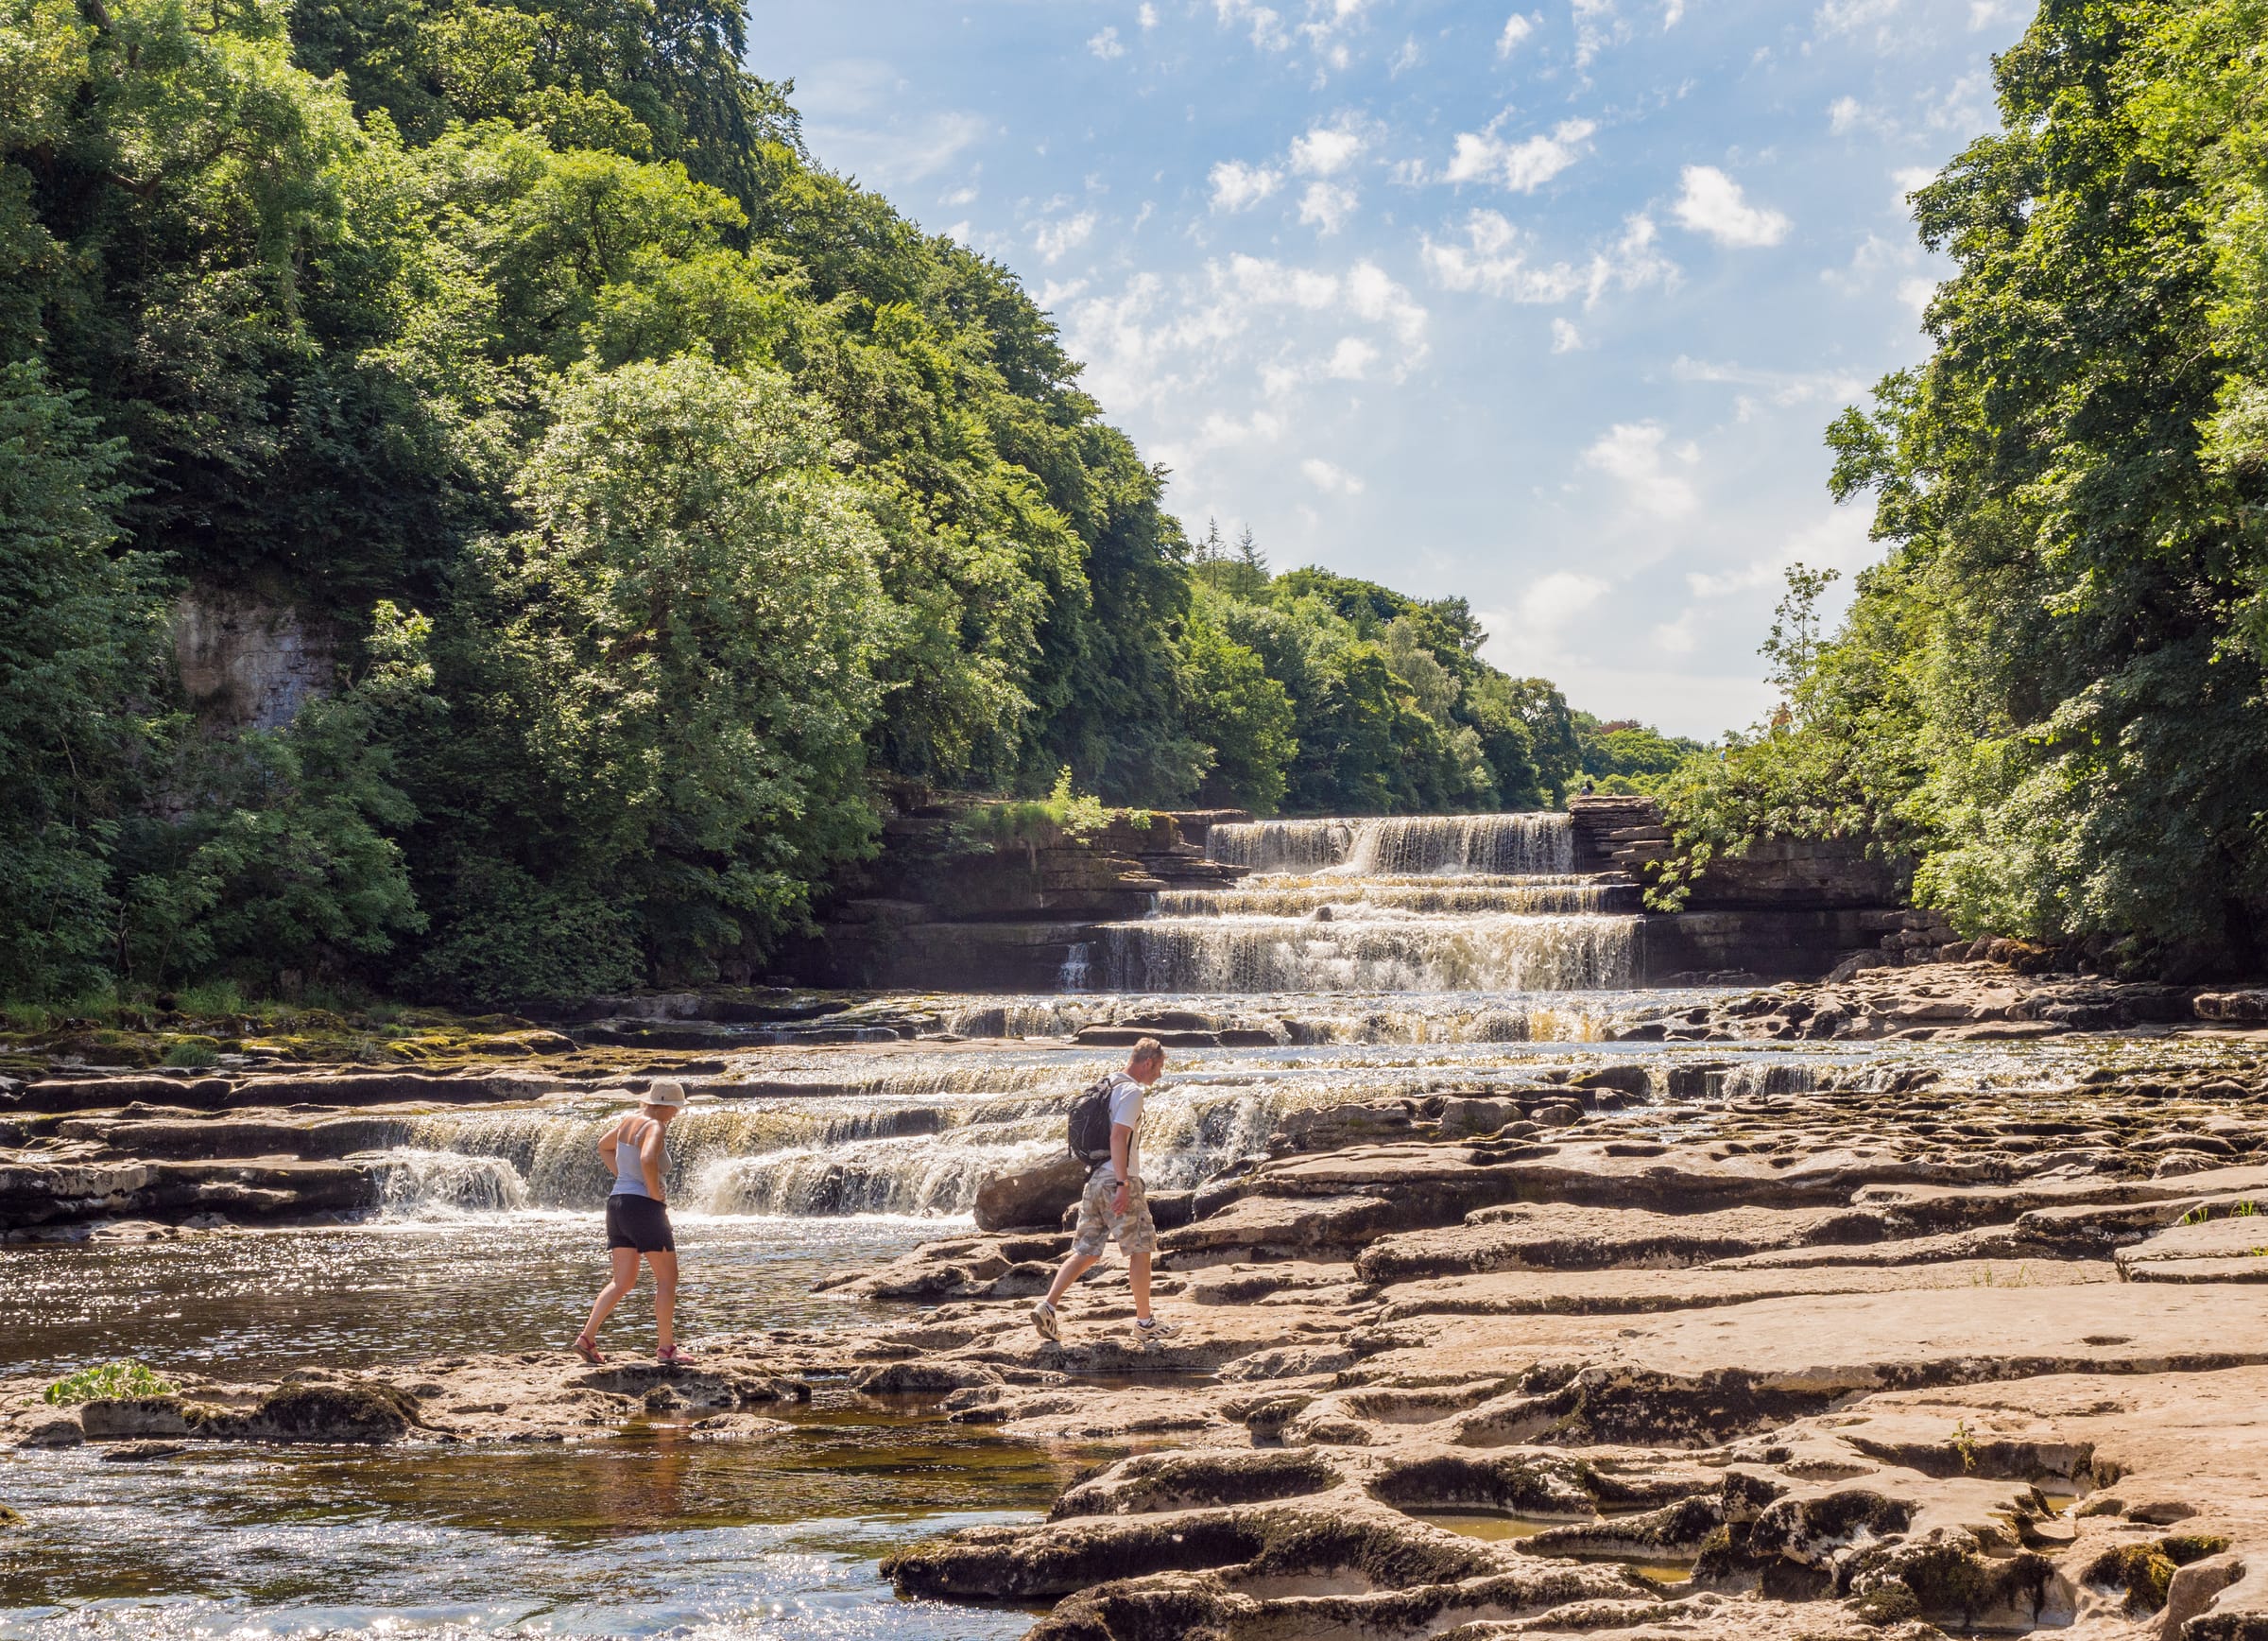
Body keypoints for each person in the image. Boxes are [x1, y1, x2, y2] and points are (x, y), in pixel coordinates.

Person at [1032, 1038, 1175, 1343]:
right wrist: (1123, 1184)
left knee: (1085, 1251)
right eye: (1160, 1067)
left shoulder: (1108, 1084)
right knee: (1140, 1249)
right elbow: (1118, 1137)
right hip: (1116, 1180)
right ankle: (1145, 1323)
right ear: (1148, 1062)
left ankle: (1047, 1307)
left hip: (1095, 1179)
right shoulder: (1132, 1092)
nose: (1160, 1075)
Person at [573, 1080, 690, 1365]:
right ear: (664, 1106)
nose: (675, 1114)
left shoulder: (628, 1121)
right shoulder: (654, 1126)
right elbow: (648, 1157)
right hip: (643, 1208)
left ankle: (587, 1338)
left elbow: (604, 1146)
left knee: (622, 1281)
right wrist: (653, 1194)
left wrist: (623, 1178)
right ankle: (666, 1349)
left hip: (617, 1206)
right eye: (674, 1108)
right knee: (667, 1279)